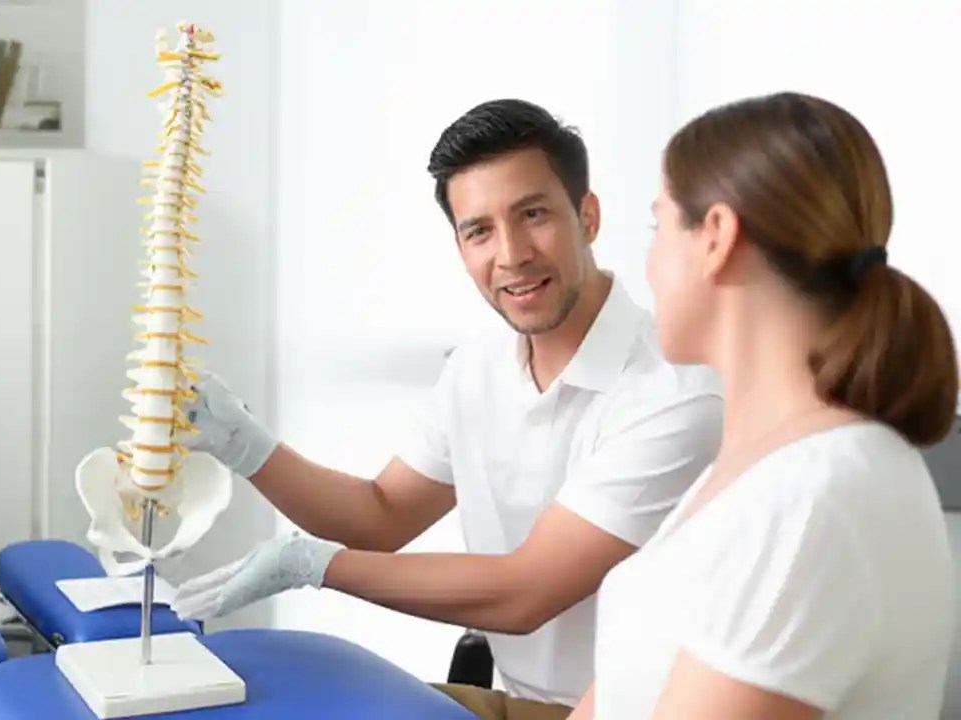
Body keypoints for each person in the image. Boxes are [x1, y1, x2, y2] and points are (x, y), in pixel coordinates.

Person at [174, 99, 724, 720]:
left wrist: (316, 566)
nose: (512, 254)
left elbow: (526, 594)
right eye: (479, 230)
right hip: (521, 701)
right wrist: (248, 448)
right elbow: (380, 516)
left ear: (588, 216)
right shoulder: (479, 366)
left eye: (533, 214)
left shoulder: (672, 392)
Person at [566, 91, 958, 719]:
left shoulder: (818, 495)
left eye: (658, 225)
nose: (647, 261)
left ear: (716, 236)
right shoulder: (753, 476)